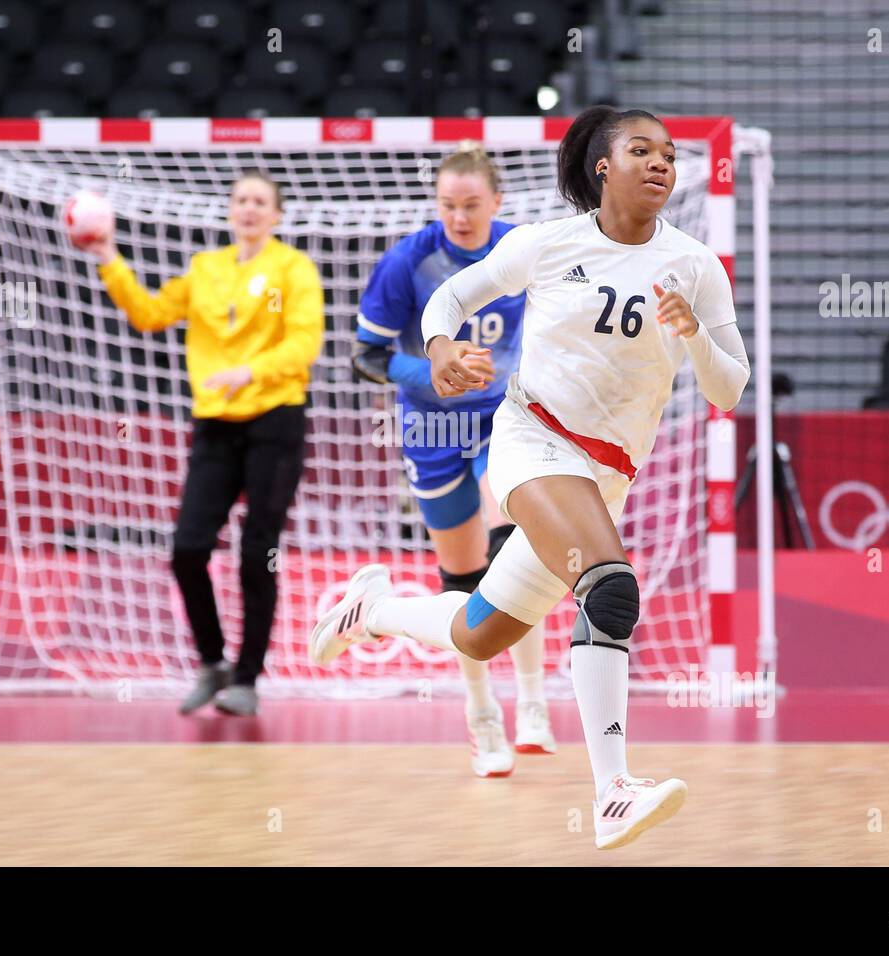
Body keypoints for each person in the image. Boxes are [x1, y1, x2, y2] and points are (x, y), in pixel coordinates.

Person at [311, 107, 750, 849]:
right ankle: (613, 789)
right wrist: (443, 348)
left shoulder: (695, 267)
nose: (660, 164)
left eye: (669, 155)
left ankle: (374, 609)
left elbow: (729, 389)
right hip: (533, 440)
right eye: (640, 150)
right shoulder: (547, 244)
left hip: (608, 473)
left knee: (478, 634)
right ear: (602, 167)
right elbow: (451, 299)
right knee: (610, 586)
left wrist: (695, 334)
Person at [78, 171, 324, 718]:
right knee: (188, 550)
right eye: (241, 200)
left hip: (274, 421)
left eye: (261, 201)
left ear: (277, 215)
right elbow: (148, 314)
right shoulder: (204, 270)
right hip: (216, 425)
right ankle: (211, 663)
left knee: (256, 550)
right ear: (230, 211)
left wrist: (250, 372)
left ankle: (247, 678)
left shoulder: (293, 269)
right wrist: (108, 257)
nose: (250, 209)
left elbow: (305, 343)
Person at [352, 144, 556, 777]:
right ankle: (480, 715)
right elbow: (367, 355)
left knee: (511, 552)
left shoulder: (521, 249)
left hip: (505, 422)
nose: (460, 218)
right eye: (448, 206)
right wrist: (433, 369)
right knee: (463, 583)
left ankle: (534, 703)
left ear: (496, 203)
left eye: (471, 206)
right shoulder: (409, 261)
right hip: (433, 427)